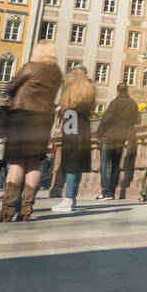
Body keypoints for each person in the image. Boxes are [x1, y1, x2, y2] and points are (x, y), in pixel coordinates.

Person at [0, 42, 62, 222]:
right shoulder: (56, 72)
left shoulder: (30, 67)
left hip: (22, 116)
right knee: (33, 163)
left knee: (16, 162)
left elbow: (11, 87)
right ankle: (26, 209)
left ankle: (7, 210)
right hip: (44, 119)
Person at [52, 65, 96, 215]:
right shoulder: (89, 89)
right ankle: (73, 199)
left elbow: (66, 111)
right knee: (77, 167)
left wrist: (59, 111)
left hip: (72, 122)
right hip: (84, 126)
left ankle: (68, 199)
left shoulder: (70, 92)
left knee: (71, 164)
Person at [95, 83, 139, 200]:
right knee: (115, 165)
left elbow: (107, 119)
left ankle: (106, 193)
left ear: (117, 91)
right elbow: (137, 120)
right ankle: (111, 193)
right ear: (127, 90)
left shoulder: (115, 102)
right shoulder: (133, 104)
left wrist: (99, 133)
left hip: (109, 136)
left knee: (105, 165)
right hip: (121, 137)